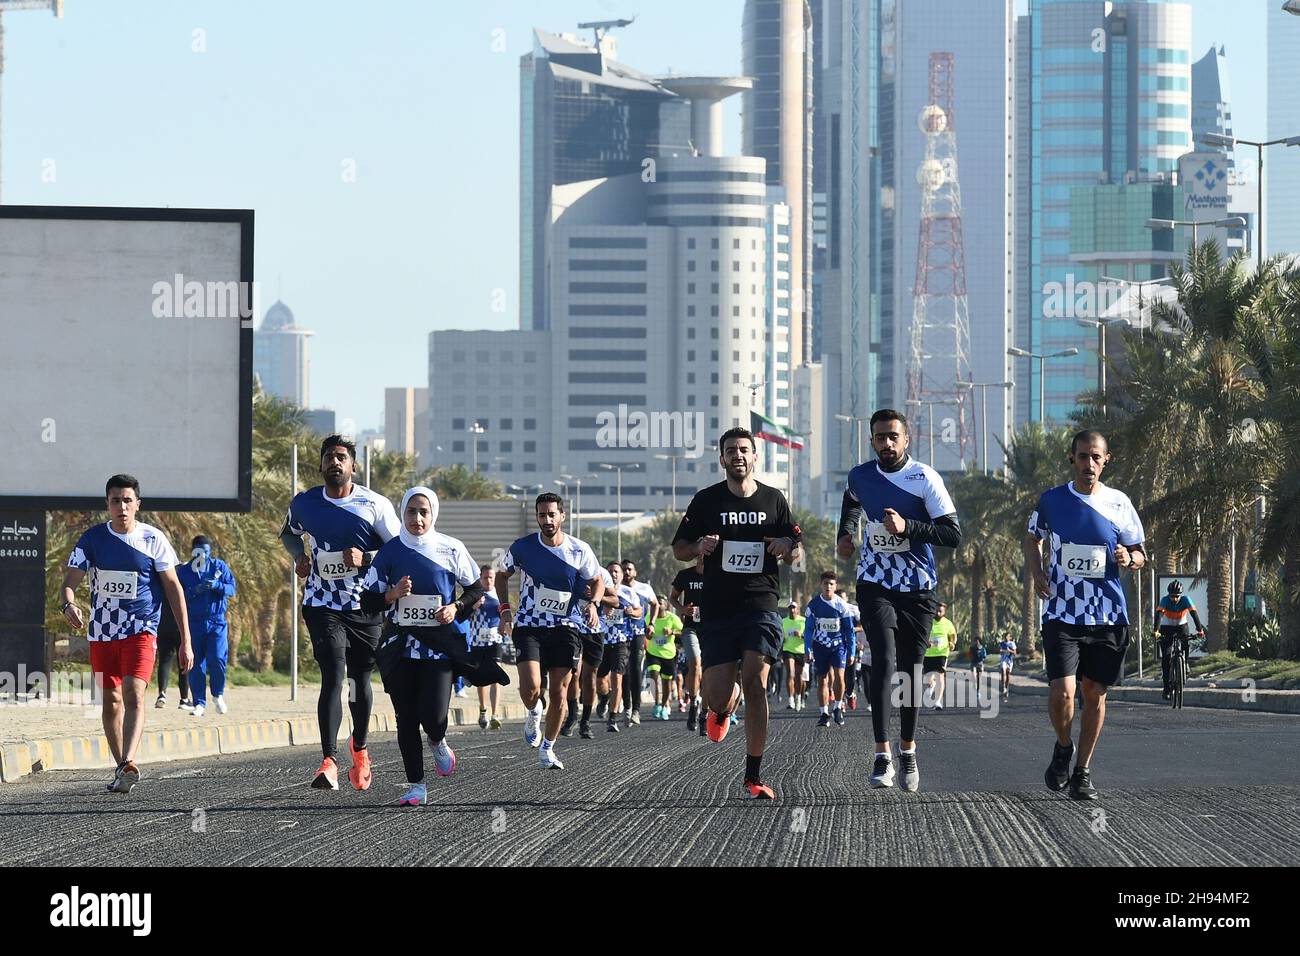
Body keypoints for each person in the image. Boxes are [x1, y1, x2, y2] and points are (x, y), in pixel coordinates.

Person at [671, 427, 803, 800]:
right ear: (722, 458)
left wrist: (786, 545)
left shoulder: (774, 500)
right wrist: (699, 544)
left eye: (744, 450)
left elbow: (797, 549)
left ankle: (753, 776)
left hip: (761, 605)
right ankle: (723, 709)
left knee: (756, 681)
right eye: (731, 451)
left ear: (755, 457)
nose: (738, 456)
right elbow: (680, 549)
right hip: (717, 610)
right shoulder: (706, 501)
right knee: (716, 697)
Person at [836, 409, 961, 792]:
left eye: (893, 437)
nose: (886, 444)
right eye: (879, 437)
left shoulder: (925, 478)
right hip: (874, 581)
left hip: (919, 587)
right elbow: (851, 499)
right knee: (885, 660)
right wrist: (846, 533)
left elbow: (952, 534)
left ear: (906, 440)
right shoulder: (861, 474)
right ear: (871, 441)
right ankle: (882, 754)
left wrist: (910, 527)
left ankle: (908, 749)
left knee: (911, 668)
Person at [359, 487, 501, 806]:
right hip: (400, 646)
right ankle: (416, 786)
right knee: (405, 717)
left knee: (433, 715)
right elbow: (366, 600)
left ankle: (437, 740)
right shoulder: (391, 552)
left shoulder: (450, 548)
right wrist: (391, 595)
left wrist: (456, 608)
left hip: (438, 647)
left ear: (433, 514)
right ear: (403, 514)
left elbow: (476, 589)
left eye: (424, 512)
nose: (418, 518)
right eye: (411, 511)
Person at [1024, 429, 1146, 801]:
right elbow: (1032, 538)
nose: (1089, 464)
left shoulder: (1119, 503)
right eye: (1082, 456)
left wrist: (1130, 558)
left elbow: (1139, 553)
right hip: (1062, 612)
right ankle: (1064, 747)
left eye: (1096, 457)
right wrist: (1037, 573)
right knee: (1063, 691)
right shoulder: (1052, 501)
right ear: (1072, 459)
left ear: (1106, 460)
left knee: (1094, 693)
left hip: (1107, 615)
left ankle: (1083, 771)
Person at [281, 435, 401, 791]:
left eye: (342, 458)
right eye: (329, 457)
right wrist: (299, 557)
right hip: (322, 604)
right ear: (320, 465)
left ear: (353, 466)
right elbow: (288, 533)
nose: (335, 463)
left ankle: (360, 749)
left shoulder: (374, 504)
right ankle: (329, 760)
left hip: (365, 604)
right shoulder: (305, 503)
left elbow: (399, 550)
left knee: (359, 681)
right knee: (333, 674)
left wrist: (368, 559)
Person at [61, 474, 193, 794]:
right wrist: (69, 606)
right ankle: (122, 767)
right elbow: (70, 582)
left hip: (141, 628)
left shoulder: (153, 539)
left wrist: (186, 641)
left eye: (127, 500)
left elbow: (174, 589)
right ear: (107, 504)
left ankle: (130, 759)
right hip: (104, 632)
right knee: (112, 700)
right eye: (115, 500)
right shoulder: (91, 539)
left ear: (137, 504)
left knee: (134, 692)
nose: (122, 506)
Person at [496, 493, 604, 769]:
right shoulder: (523, 547)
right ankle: (533, 711)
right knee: (531, 687)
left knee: (559, 692)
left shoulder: (579, 550)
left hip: (565, 627)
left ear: (562, 516)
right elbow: (501, 575)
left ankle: (548, 748)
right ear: (537, 517)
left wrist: (593, 603)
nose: (547, 520)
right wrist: (506, 610)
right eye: (542, 515)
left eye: (552, 514)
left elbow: (597, 580)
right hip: (529, 626)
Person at [176, 535, 237, 717]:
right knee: (195, 664)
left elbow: (232, 589)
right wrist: (194, 591)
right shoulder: (185, 572)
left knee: (217, 659)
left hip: (217, 621)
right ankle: (199, 703)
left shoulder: (219, 567)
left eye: (207, 552)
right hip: (194, 622)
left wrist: (218, 585)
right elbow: (177, 597)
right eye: (200, 552)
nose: (204, 555)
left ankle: (218, 694)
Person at [596, 560, 642, 734]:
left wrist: (632, 612)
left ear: (621, 575)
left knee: (617, 679)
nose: (614, 574)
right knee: (600, 680)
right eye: (610, 571)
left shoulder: (629, 593)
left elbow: (639, 611)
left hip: (622, 641)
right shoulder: (599, 590)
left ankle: (612, 719)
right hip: (602, 640)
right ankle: (604, 697)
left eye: (617, 571)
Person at [806, 573, 855, 728]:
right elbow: (808, 630)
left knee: (840, 677)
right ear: (821, 584)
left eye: (831, 584)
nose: (828, 587)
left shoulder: (842, 606)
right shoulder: (813, 605)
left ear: (835, 586)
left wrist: (852, 652)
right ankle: (823, 713)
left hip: (838, 646)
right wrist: (808, 649)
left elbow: (849, 630)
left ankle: (837, 708)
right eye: (826, 583)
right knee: (822, 679)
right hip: (820, 646)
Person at [670, 559, 707, 732]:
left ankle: (705, 712)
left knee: (708, 670)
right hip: (691, 628)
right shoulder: (685, 575)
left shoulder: (719, 574)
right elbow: (673, 598)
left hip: (712, 629)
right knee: (696, 663)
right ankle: (693, 703)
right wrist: (683, 610)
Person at [1153, 581, 1205, 700]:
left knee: (1185, 642)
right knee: (1166, 658)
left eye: (1177, 596)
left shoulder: (1186, 599)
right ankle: (1166, 688)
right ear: (1169, 595)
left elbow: (1194, 614)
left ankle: (1185, 663)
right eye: (1172, 596)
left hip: (1182, 625)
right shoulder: (1164, 600)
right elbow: (1159, 615)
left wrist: (1200, 630)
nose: (1175, 599)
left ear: (1181, 595)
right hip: (1166, 627)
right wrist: (1156, 630)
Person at [621, 560, 657, 725]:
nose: (626, 572)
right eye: (624, 569)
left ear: (634, 572)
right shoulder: (615, 589)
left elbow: (655, 604)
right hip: (619, 634)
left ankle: (636, 709)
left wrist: (651, 623)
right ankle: (626, 706)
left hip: (637, 633)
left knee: (635, 668)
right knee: (623, 670)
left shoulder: (644, 588)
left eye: (629, 569)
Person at [470, 566, 505, 729]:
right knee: (481, 678)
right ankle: (483, 710)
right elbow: (464, 616)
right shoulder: (475, 594)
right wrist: (474, 606)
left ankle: (494, 714)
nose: (489, 581)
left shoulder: (499, 595)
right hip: (477, 641)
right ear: (480, 578)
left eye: (491, 577)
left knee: (496, 675)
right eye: (485, 578)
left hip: (495, 641)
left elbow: (506, 616)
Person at [153, 593, 191, 710]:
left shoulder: (161, 579)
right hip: (179, 627)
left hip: (162, 625)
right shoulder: (183, 579)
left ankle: (162, 694)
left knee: (164, 660)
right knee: (183, 662)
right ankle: (184, 699)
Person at [646, 597, 683, 719]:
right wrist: (648, 635)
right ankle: (656, 704)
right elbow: (645, 633)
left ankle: (663, 706)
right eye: (656, 603)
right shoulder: (649, 618)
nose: (658, 605)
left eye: (661, 603)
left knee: (666, 683)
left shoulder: (672, 618)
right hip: (653, 653)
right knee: (654, 675)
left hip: (668, 654)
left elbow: (683, 632)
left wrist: (672, 632)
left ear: (666, 605)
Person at [923, 601, 956, 711]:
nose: (938, 613)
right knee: (928, 678)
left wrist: (952, 643)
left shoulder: (948, 623)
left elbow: (953, 635)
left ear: (944, 612)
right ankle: (931, 686)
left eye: (940, 611)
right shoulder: (928, 622)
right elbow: (923, 634)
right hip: (928, 653)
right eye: (936, 610)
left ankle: (938, 701)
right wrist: (926, 642)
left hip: (942, 653)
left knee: (940, 676)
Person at [780, 601, 807, 711]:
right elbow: (779, 635)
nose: (792, 610)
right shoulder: (783, 621)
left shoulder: (803, 621)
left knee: (799, 676)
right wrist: (783, 639)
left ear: (798, 609)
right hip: (788, 650)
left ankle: (798, 697)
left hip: (800, 650)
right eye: (790, 608)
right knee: (790, 673)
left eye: (794, 608)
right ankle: (790, 699)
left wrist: (801, 635)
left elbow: (810, 636)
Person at [969, 637, 988, 704]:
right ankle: (974, 685)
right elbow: (969, 655)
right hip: (973, 663)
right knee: (974, 677)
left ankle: (978, 692)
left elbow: (985, 656)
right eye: (975, 641)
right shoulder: (972, 648)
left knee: (979, 678)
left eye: (977, 641)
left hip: (980, 664)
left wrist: (982, 659)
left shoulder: (983, 648)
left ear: (979, 641)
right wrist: (972, 657)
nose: (976, 642)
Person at [998, 634, 1017, 701]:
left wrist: (1009, 650)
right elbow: (999, 651)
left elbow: (1015, 653)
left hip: (1010, 661)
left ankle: (1007, 688)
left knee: (1008, 674)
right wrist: (1001, 651)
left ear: (1010, 637)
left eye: (1007, 636)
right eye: (1005, 636)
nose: (1006, 637)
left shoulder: (1012, 644)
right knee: (1003, 671)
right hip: (1003, 660)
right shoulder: (1002, 643)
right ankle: (1003, 687)